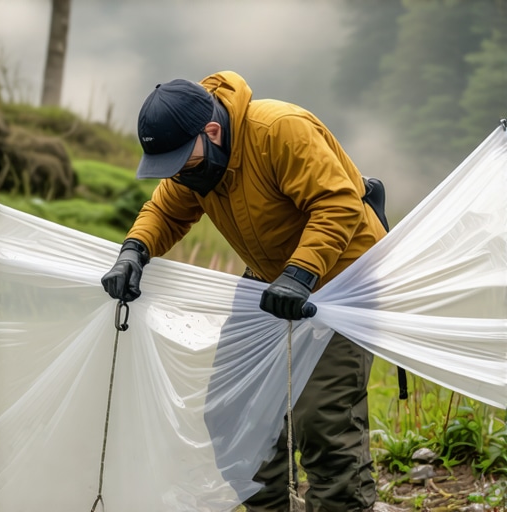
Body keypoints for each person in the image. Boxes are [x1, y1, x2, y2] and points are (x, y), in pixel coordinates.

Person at [101, 70, 387, 512]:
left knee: (321, 421)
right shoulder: (197, 157)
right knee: (233, 409)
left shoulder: (279, 130)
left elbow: (338, 203)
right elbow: (166, 210)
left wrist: (301, 274)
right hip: (271, 280)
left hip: (340, 283)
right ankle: (270, 506)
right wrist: (133, 252)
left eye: (182, 160)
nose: (178, 173)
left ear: (212, 131)